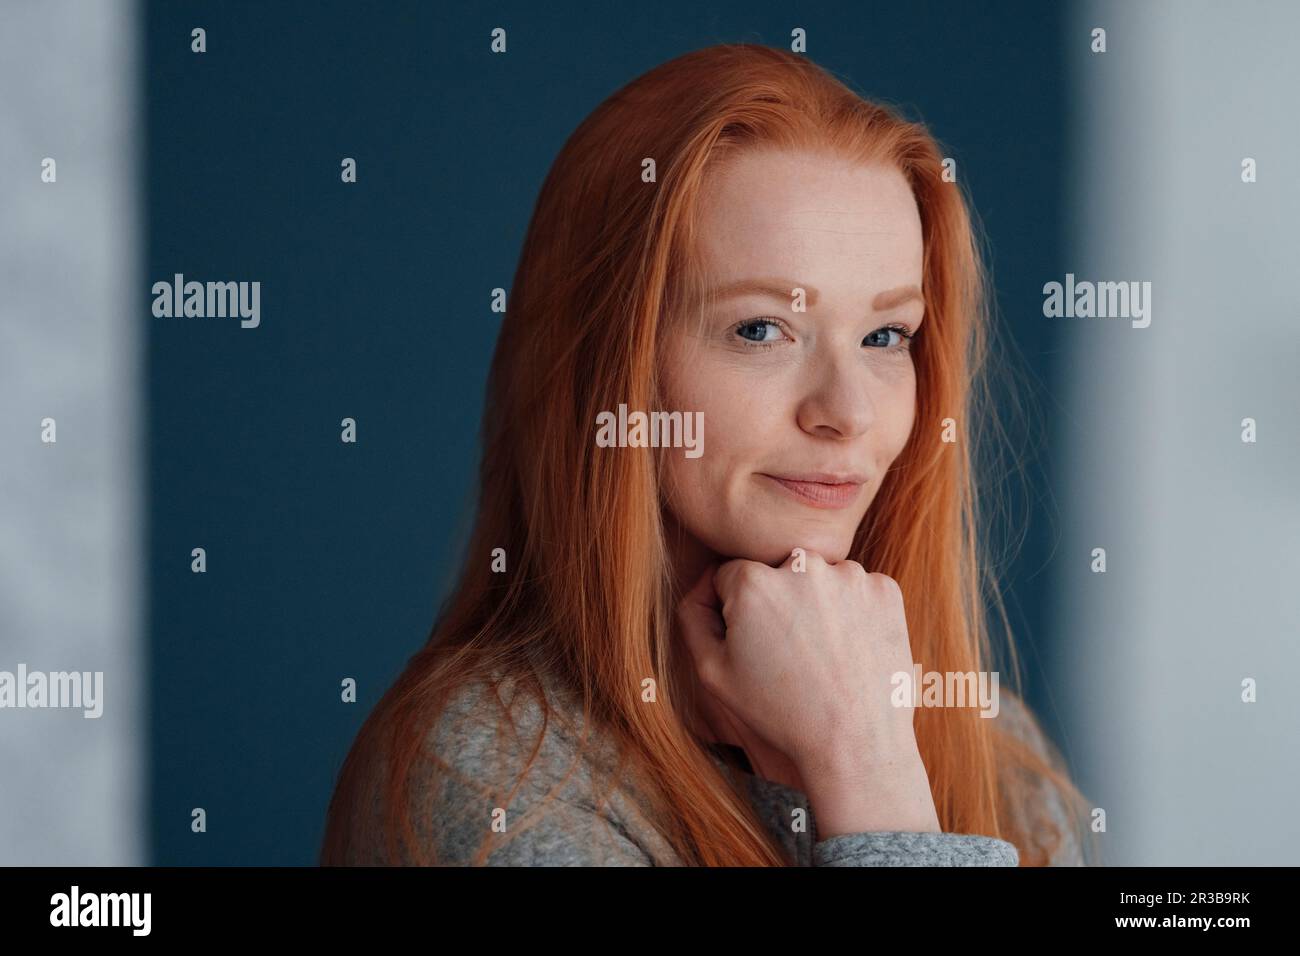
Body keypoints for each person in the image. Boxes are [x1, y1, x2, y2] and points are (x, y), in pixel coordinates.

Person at [321, 43, 1099, 867]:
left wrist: (869, 753)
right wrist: (867, 777)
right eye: (760, 329)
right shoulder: (496, 775)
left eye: (885, 335)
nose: (848, 412)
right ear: (607, 367)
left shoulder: (998, 750)